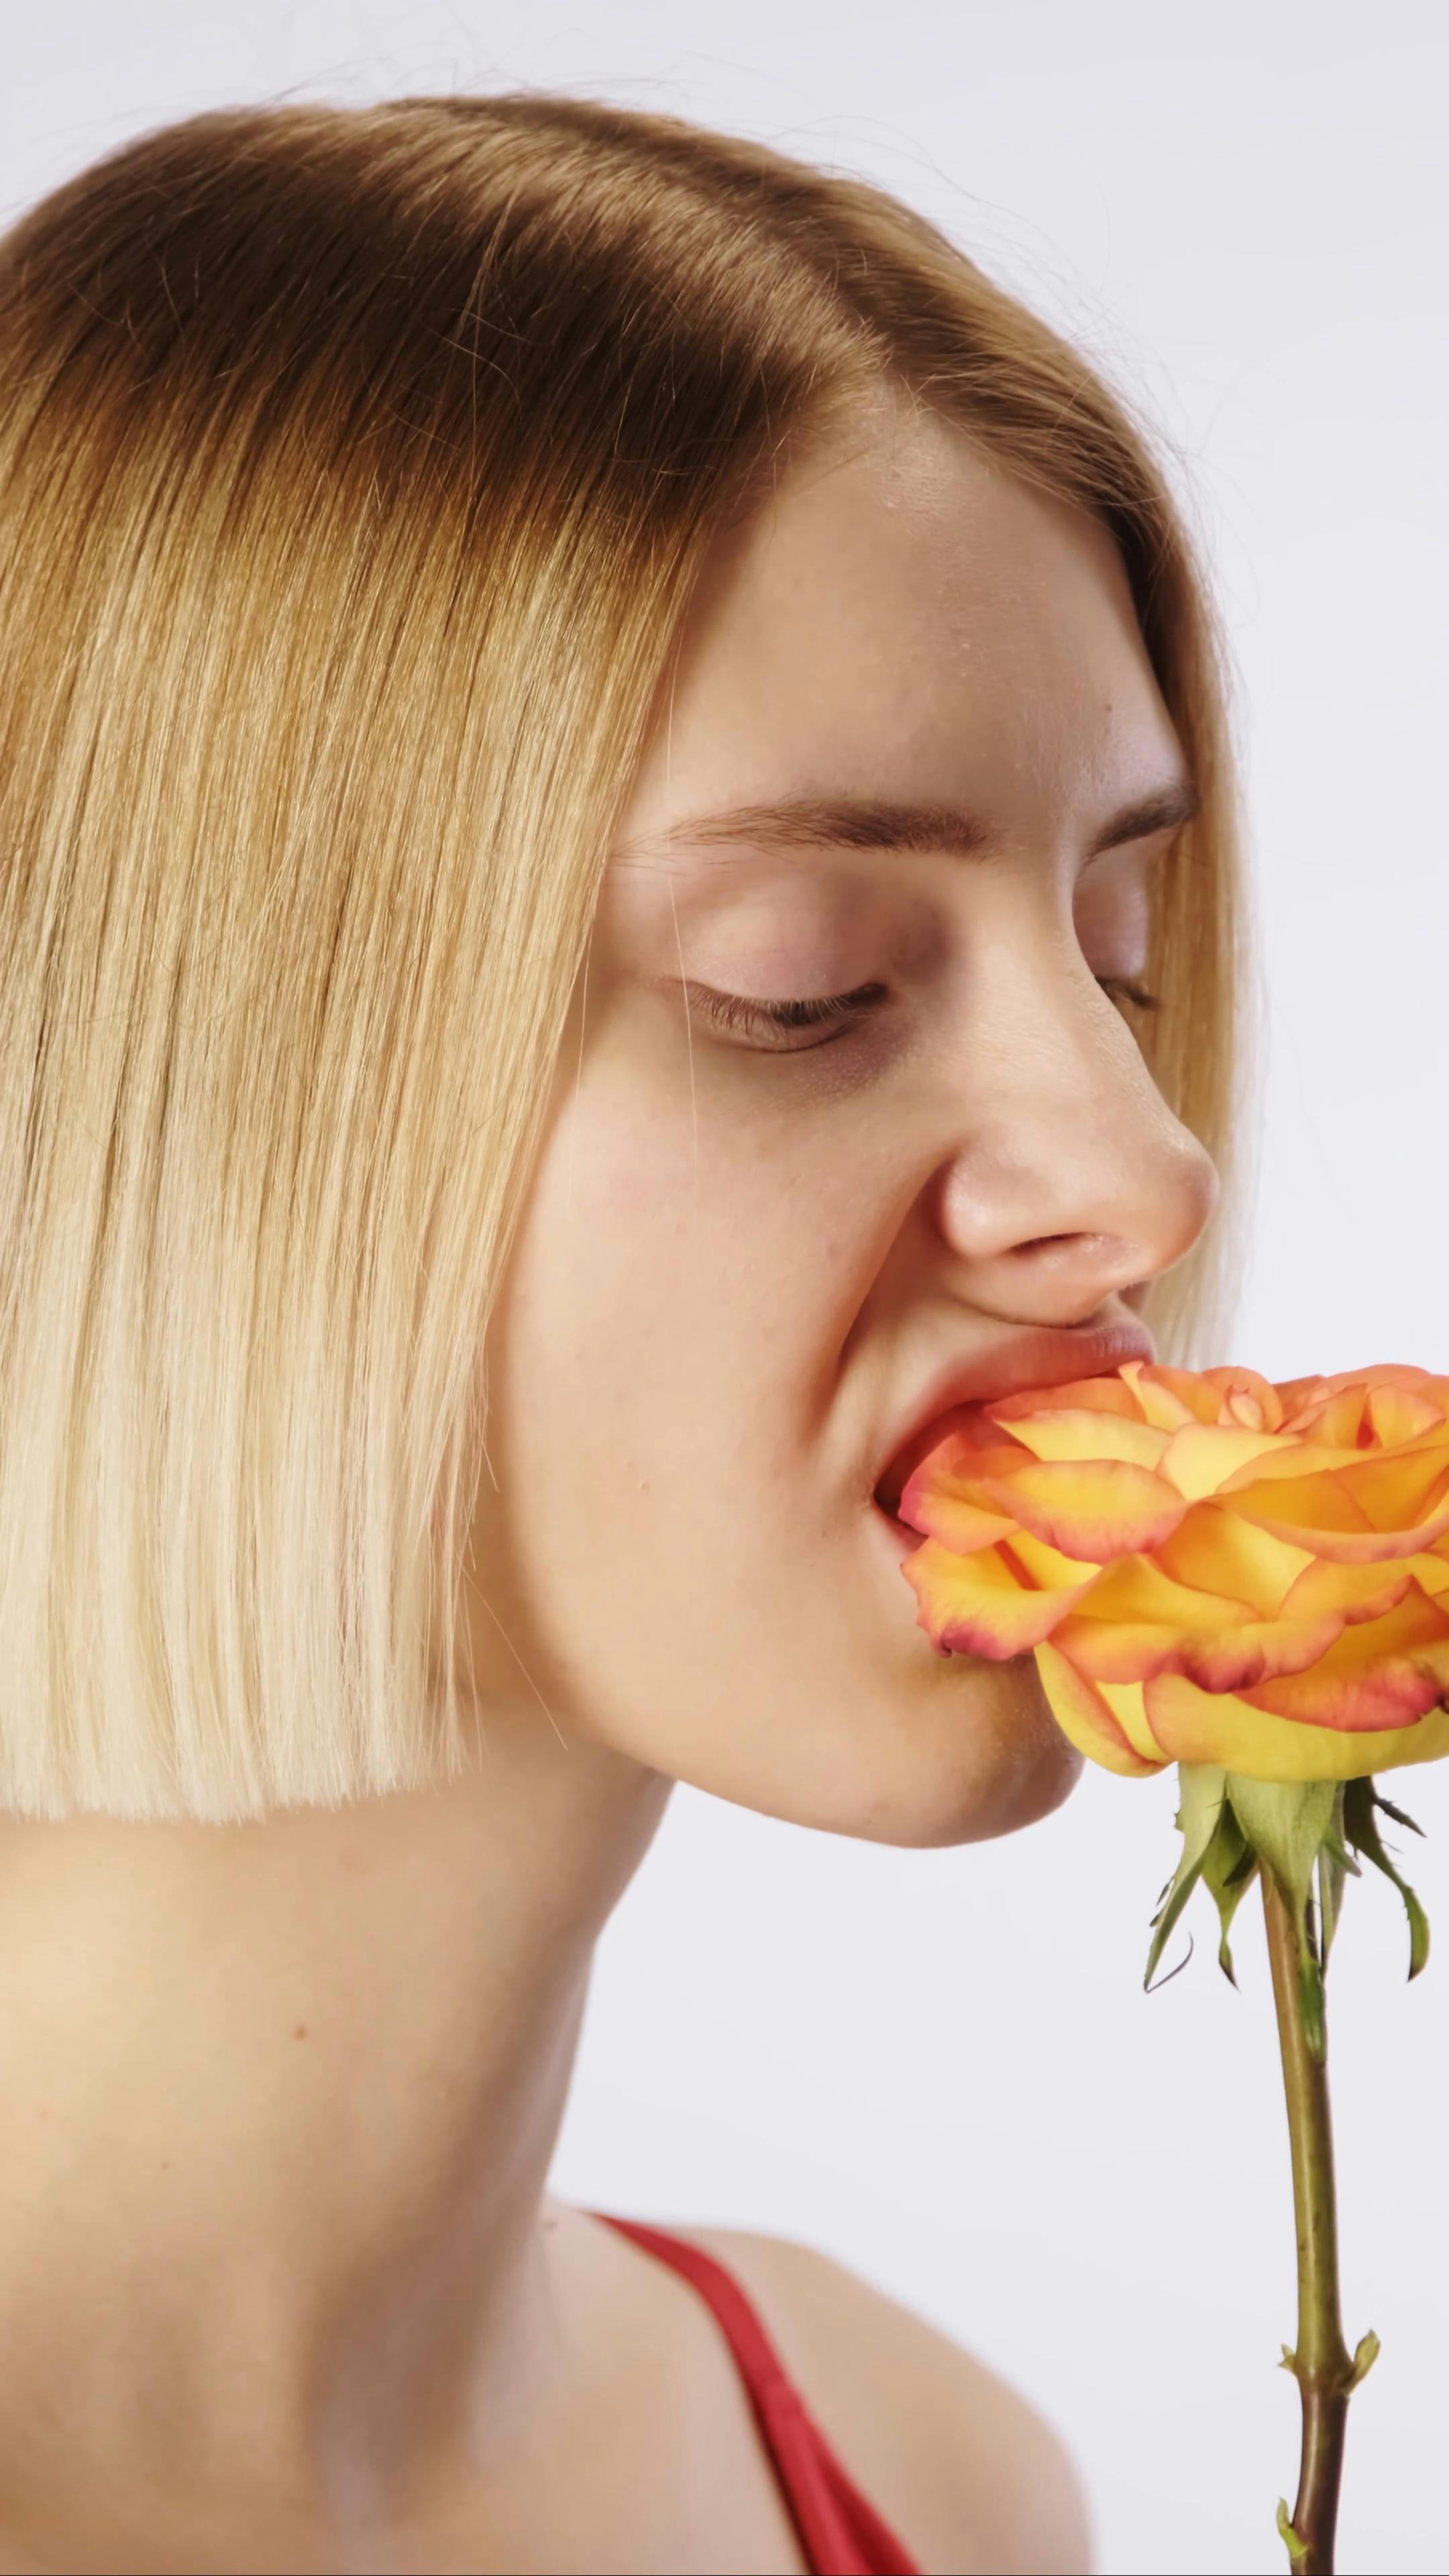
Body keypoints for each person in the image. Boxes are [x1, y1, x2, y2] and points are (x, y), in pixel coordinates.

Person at [0, 88, 1240, 2574]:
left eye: (1118, 960)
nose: (1138, 1176)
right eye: (803, 989)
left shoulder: (935, 2487)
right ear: (185, 1083)